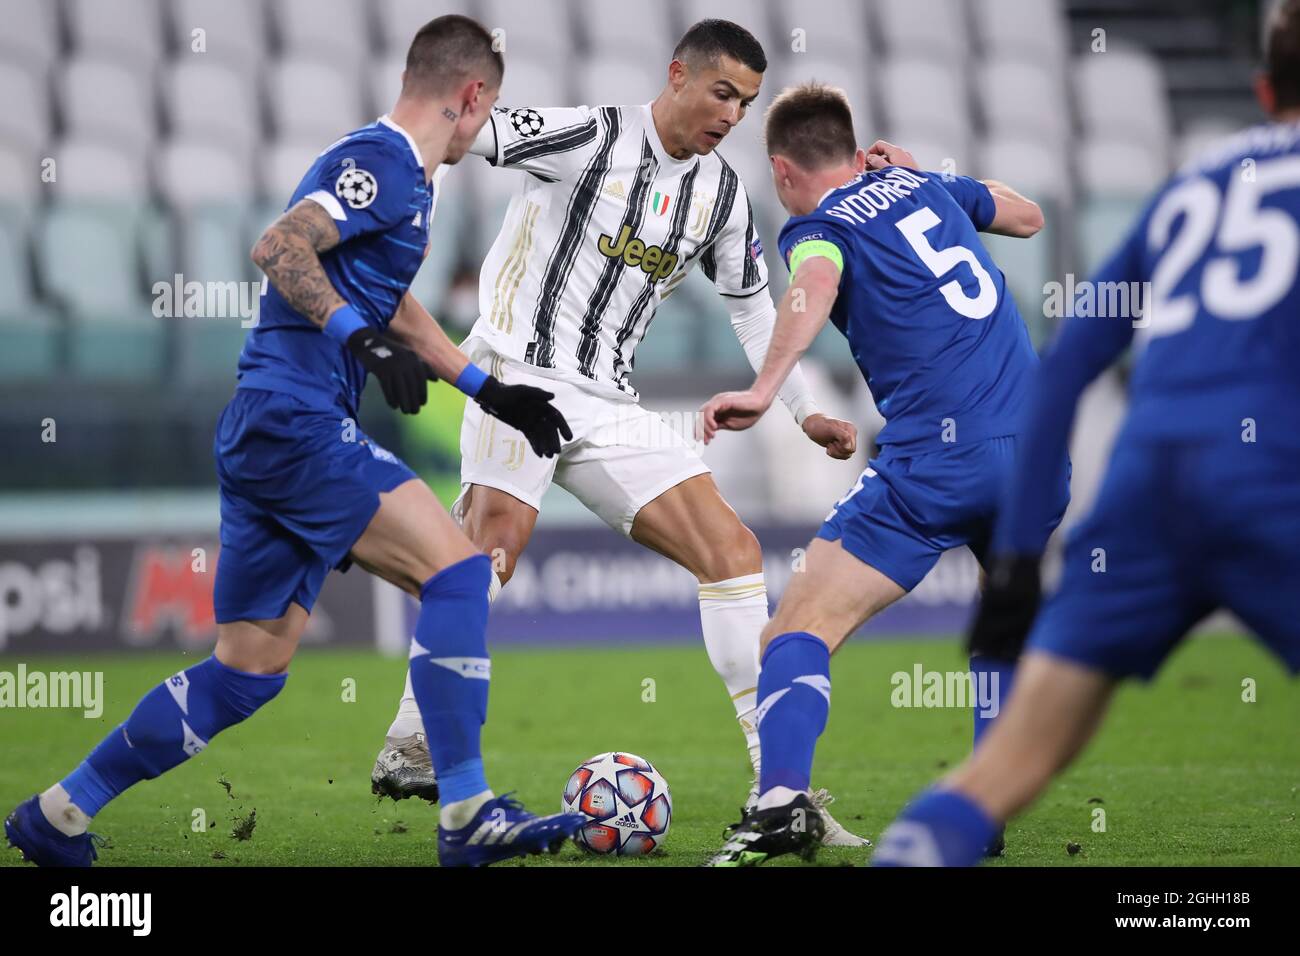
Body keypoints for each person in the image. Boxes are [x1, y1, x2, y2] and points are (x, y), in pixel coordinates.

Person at [4, 15, 581, 869]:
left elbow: (390, 303)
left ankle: (57, 814)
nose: (482, 126)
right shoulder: (382, 160)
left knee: (246, 671)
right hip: (295, 419)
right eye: (487, 108)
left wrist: (488, 389)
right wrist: (356, 338)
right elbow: (278, 244)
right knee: (459, 571)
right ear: (471, 96)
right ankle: (464, 812)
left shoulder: (409, 183)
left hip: (269, 430)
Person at [369, 19, 867, 847]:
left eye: (745, 103)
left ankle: (781, 791)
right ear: (677, 75)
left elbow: (752, 306)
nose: (731, 114)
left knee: (733, 553)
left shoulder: (719, 195)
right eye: (720, 93)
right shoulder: (588, 135)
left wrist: (799, 405)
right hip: (515, 375)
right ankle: (410, 740)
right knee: (491, 548)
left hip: (607, 403)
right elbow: (461, 130)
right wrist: (396, 223)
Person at [872, 0, 1300, 867]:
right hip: (1271, 484)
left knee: (1006, 768)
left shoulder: (1194, 187)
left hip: (1145, 493)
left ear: (1262, 89)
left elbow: (1066, 368)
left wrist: (1019, 564)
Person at [698, 81, 1063, 866]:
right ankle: (985, 806)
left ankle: (780, 804)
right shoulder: (922, 185)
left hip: (939, 462)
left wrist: (765, 389)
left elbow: (815, 283)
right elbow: (1028, 216)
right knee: (1001, 632)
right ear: (857, 148)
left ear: (783, 170)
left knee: (795, 631)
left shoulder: (815, 227)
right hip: (1036, 456)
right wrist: (923, 174)